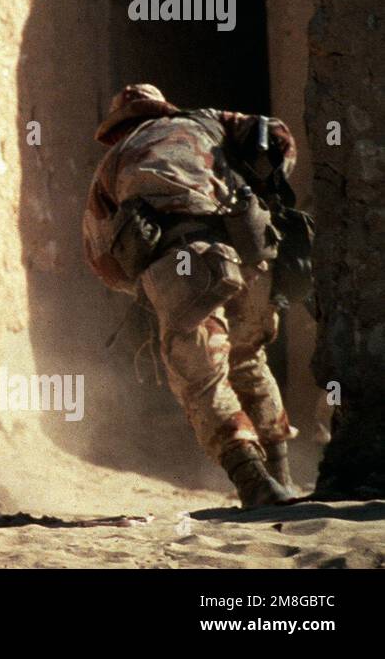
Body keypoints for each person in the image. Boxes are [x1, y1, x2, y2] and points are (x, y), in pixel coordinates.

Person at [82, 84, 300, 509]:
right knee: (249, 359)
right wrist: (267, 186)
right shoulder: (207, 119)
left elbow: (100, 256)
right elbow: (278, 138)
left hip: (182, 267)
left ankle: (256, 484)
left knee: (201, 380)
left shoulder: (114, 161)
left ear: (118, 127)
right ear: (160, 109)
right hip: (248, 255)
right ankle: (283, 476)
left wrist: (142, 284)